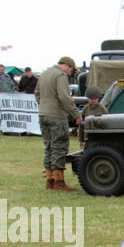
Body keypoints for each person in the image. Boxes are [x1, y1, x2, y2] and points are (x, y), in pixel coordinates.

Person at [36, 56, 83, 191]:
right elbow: (64, 97)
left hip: (43, 114)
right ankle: (59, 182)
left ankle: (49, 180)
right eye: (71, 70)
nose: (70, 73)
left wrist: (44, 105)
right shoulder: (60, 75)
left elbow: (37, 94)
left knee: (49, 147)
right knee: (59, 146)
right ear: (67, 66)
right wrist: (76, 114)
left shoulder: (44, 74)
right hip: (56, 116)